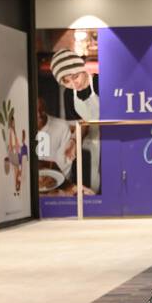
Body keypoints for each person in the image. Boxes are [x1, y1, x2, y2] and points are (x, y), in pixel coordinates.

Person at [50, 47, 101, 193]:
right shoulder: (68, 95)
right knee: (92, 182)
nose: (73, 84)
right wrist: (73, 141)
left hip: (112, 140)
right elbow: (80, 124)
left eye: (75, 77)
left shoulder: (99, 82)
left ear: (81, 69)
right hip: (90, 144)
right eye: (66, 81)